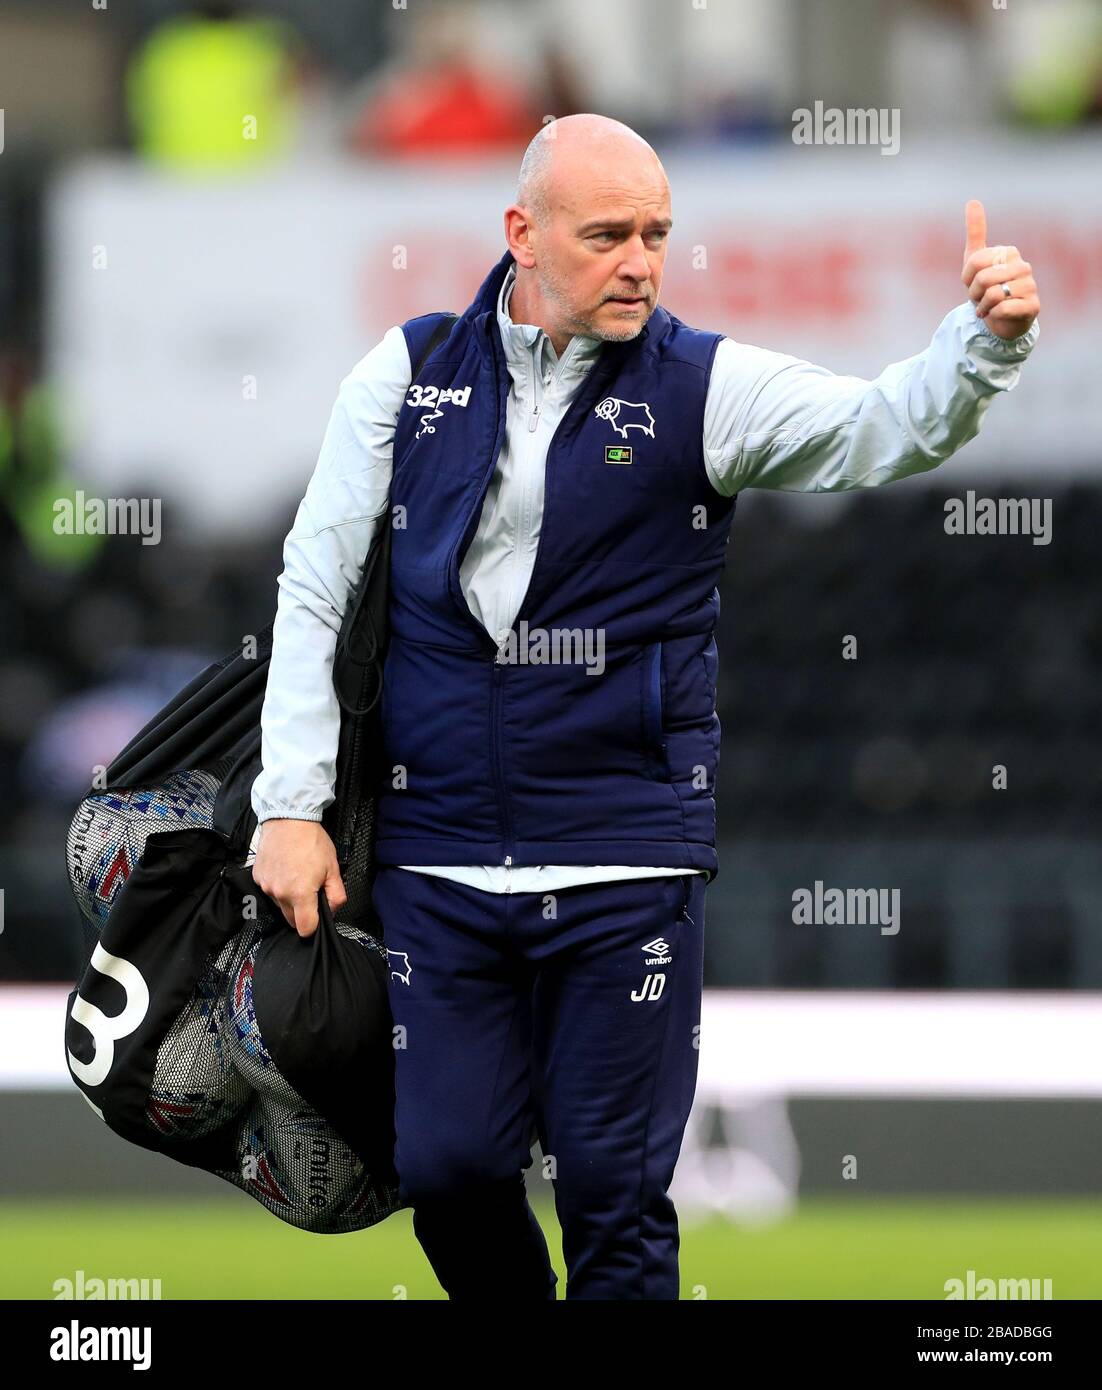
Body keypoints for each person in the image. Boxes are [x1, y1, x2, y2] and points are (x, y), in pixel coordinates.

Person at [250, 114, 1040, 1300]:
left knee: (614, 1201)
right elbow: (315, 586)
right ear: (521, 234)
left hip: (623, 864)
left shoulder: (702, 385)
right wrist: (291, 806)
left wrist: (979, 342)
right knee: (450, 1173)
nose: (640, 261)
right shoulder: (406, 371)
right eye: (608, 233)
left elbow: (886, 423)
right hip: (439, 861)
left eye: (657, 235)